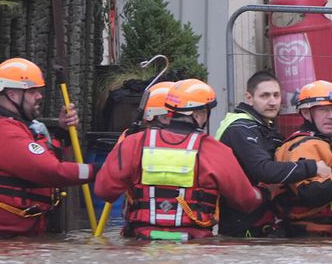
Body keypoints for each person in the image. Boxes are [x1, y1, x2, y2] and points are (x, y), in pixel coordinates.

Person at [93, 78, 265, 241]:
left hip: (141, 242)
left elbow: (104, 191)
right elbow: (245, 201)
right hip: (195, 245)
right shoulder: (216, 151)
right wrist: (264, 193)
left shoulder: (133, 143)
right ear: (199, 114)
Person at [0, 58, 92, 238]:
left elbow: (49, 158)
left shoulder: (24, 127)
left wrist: (63, 133)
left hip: (15, 237)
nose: (39, 96)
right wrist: (100, 172)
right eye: (32, 91)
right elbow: (52, 171)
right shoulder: (0, 131)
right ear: (12, 94)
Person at [214, 70, 326, 237]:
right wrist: (312, 167)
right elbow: (263, 170)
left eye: (276, 95)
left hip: (260, 221)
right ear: (249, 98)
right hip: (241, 226)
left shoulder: (264, 127)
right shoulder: (240, 128)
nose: (272, 102)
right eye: (265, 96)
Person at [272, 80, 332, 236]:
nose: (331, 116)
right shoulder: (303, 147)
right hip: (305, 240)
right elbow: (312, 195)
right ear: (305, 113)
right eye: (323, 110)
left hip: (329, 238)